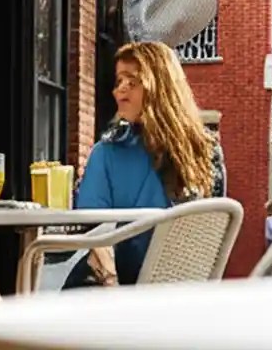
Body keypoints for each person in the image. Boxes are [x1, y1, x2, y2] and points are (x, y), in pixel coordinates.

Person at [65, 41, 224, 287]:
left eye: (132, 81)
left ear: (159, 88)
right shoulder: (106, 152)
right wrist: (113, 288)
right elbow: (97, 241)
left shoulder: (205, 152)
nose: (119, 91)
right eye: (118, 82)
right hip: (136, 293)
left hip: (148, 297)